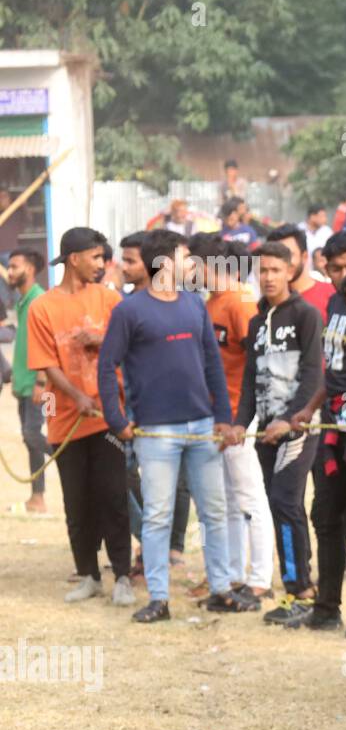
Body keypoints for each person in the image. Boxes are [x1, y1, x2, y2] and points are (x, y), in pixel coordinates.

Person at [97, 230, 254, 623]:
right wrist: (117, 421)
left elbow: (212, 365)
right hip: (155, 433)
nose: (192, 266)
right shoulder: (129, 311)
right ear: (165, 263)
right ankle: (159, 598)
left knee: (214, 511)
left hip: (203, 427)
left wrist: (222, 418)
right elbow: (106, 366)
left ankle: (221, 589)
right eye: (185, 258)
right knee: (157, 517)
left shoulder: (194, 305)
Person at [278, 231, 346, 637]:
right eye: (336, 266)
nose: (344, 274)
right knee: (326, 516)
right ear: (323, 265)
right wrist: (308, 407)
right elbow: (332, 369)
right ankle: (326, 607)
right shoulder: (332, 302)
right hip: (331, 421)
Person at [25, 228, 134, 606]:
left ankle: (122, 575)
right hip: (64, 421)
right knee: (77, 502)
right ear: (74, 259)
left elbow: (127, 344)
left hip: (108, 420)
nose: (102, 264)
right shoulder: (43, 307)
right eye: (96, 257)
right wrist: (75, 397)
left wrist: (101, 342)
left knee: (113, 497)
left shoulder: (110, 299)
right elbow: (45, 363)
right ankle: (88, 574)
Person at [231, 242, 324, 619]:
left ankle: (299, 591)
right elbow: (252, 378)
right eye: (262, 270)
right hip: (265, 432)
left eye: (275, 270)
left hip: (298, 430)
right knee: (280, 506)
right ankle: (299, 584)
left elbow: (314, 373)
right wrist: (240, 424)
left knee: (287, 504)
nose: (268, 277)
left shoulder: (305, 314)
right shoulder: (256, 322)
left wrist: (292, 417)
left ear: (290, 270)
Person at [189, 232, 276, 605]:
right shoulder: (209, 303)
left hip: (240, 416)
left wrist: (241, 420)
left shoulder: (241, 302)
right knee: (223, 501)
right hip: (214, 415)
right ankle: (233, 574)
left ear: (205, 265)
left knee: (250, 497)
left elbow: (258, 365)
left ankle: (260, 578)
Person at [7, 248, 51, 512]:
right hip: (24, 386)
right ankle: (38, 497)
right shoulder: (22, 301)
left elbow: (50, 343)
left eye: (15, 266)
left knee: (36, 435)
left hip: (43, 388)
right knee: (29, 438)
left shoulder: (39, 301)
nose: (10, 272)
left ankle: (72, 459)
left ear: (30, 270)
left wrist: (42, 382)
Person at [265, 223, 335, 320]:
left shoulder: (331, 296)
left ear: (304, 257)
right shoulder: (267, 302)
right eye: (276, 256)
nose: (282, 263)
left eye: (288, 255)